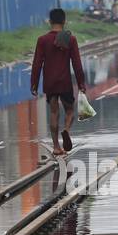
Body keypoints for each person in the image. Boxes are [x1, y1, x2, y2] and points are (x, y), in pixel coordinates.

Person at [30, 8, 86, 155]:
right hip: (64, 81)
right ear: (64, 21)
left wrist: (34, 83)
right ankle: (66, 129)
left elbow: (37, 64)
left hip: (50, 82)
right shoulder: (70, 39)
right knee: (69, 110)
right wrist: (81, 83)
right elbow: (77, 63)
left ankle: (56, 147)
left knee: (54, 112)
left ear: (49, 21)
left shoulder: (42, 40)